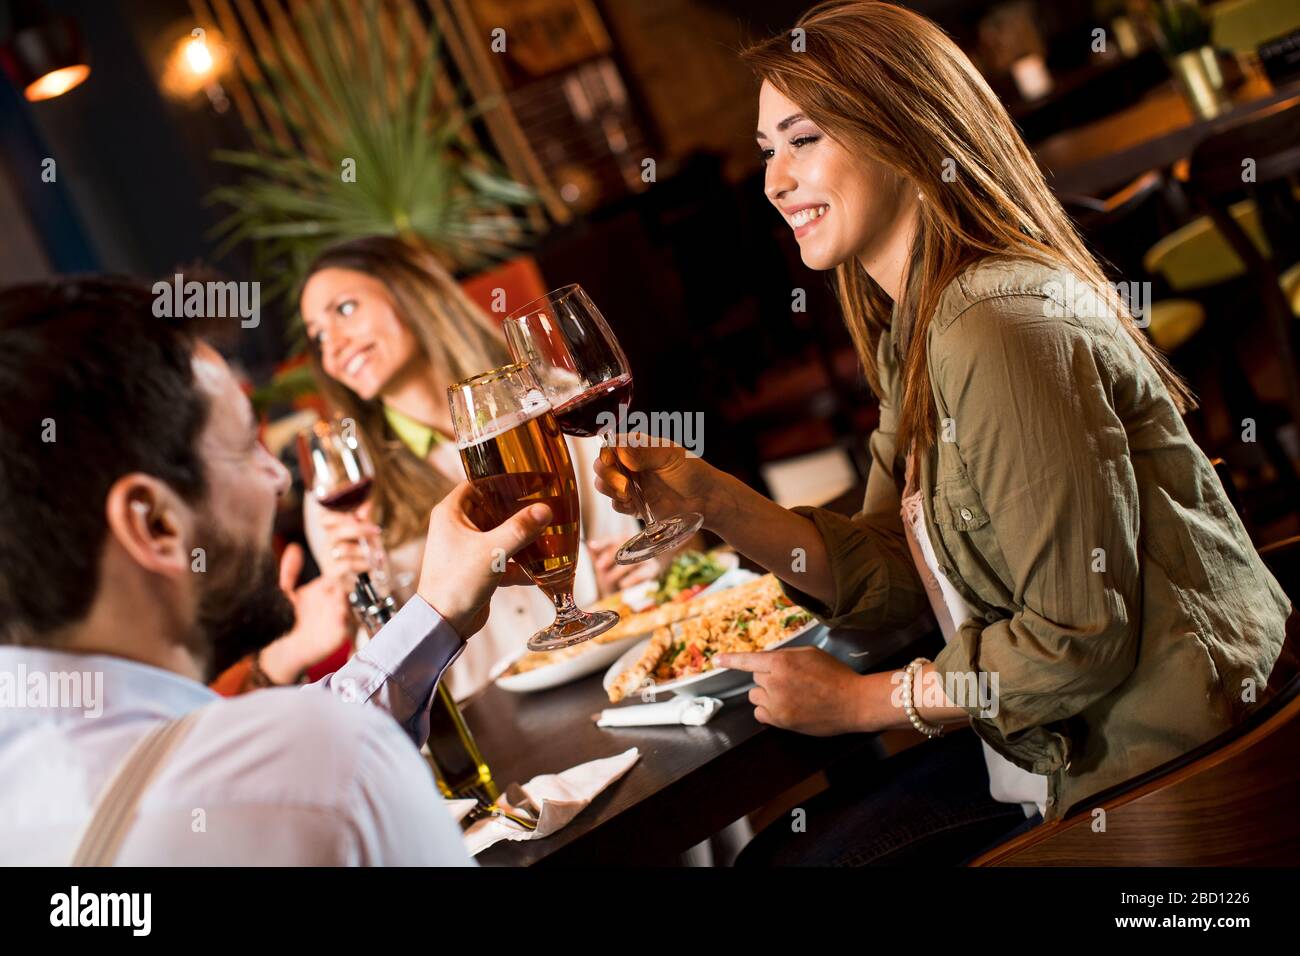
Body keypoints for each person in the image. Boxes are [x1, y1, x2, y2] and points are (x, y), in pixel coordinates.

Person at [593, 0, 1293, 864]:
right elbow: (896, 571)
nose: (774, 181)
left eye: (804, 139)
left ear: (902, 129)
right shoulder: (919, 326)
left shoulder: (993, 326)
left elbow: (1075, 639)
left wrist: (864, 705)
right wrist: (713, 499)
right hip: (1056, 743)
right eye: (769, 150)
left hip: (1160, 773)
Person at [0, 277, 553, 865]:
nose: (280, 478)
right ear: (155, 524)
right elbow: (318, 769)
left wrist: (435, 611)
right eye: (245, 447)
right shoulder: (328, 771)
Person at [297, 236, 653, 700]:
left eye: (344, 310)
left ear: (410, 292)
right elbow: (406, 680)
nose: (334, 347)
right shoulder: (344, 494)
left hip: (621, 660)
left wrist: (627, 566)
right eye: (318, 335)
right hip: (500, 717)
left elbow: (637, 546)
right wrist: (365, 602)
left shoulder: (549, 400)